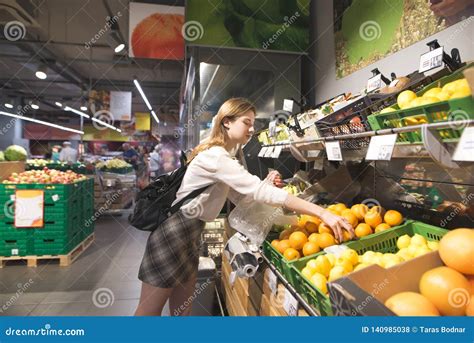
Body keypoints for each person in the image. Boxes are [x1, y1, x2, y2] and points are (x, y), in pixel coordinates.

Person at [134, 98, 355, 316]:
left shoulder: (225, 156)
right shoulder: (217, 157)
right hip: (173, 234)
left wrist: (267, 186)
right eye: (246, 122)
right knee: (149, 311)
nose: (251, 129)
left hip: (191, 233)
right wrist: (322, 212)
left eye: (253, 123)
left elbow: (242, 197)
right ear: (227, 122)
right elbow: (255, 192)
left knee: (182, 310)